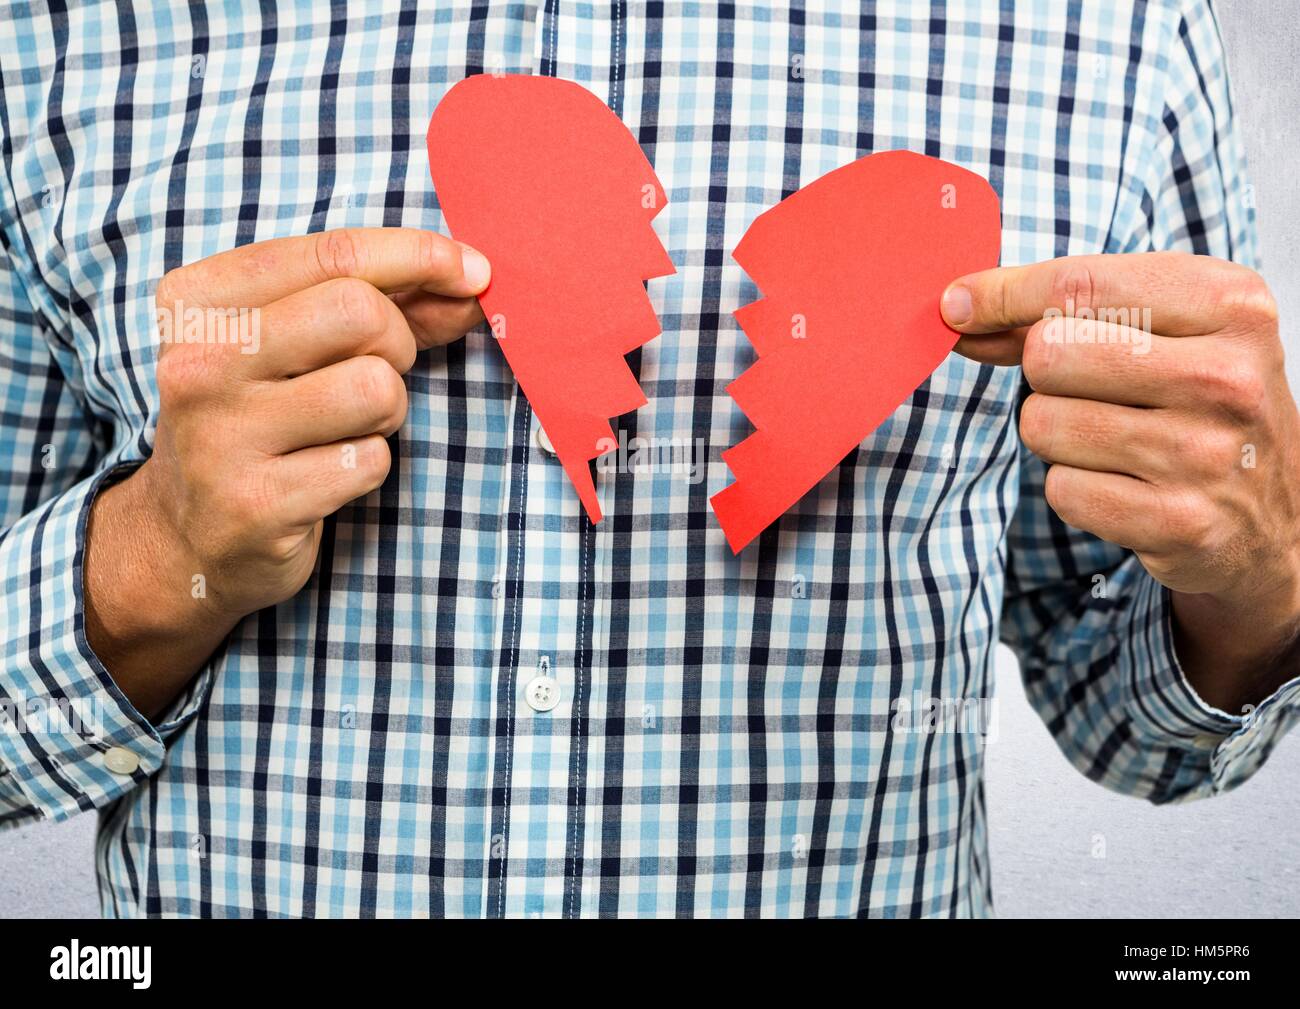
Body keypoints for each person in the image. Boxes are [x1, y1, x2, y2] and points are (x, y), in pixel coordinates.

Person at [0, 0, 1296, 918]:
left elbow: (1144, 726)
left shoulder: (1109, 27)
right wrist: (155, 555)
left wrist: (1268, 580)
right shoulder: (59, 28)